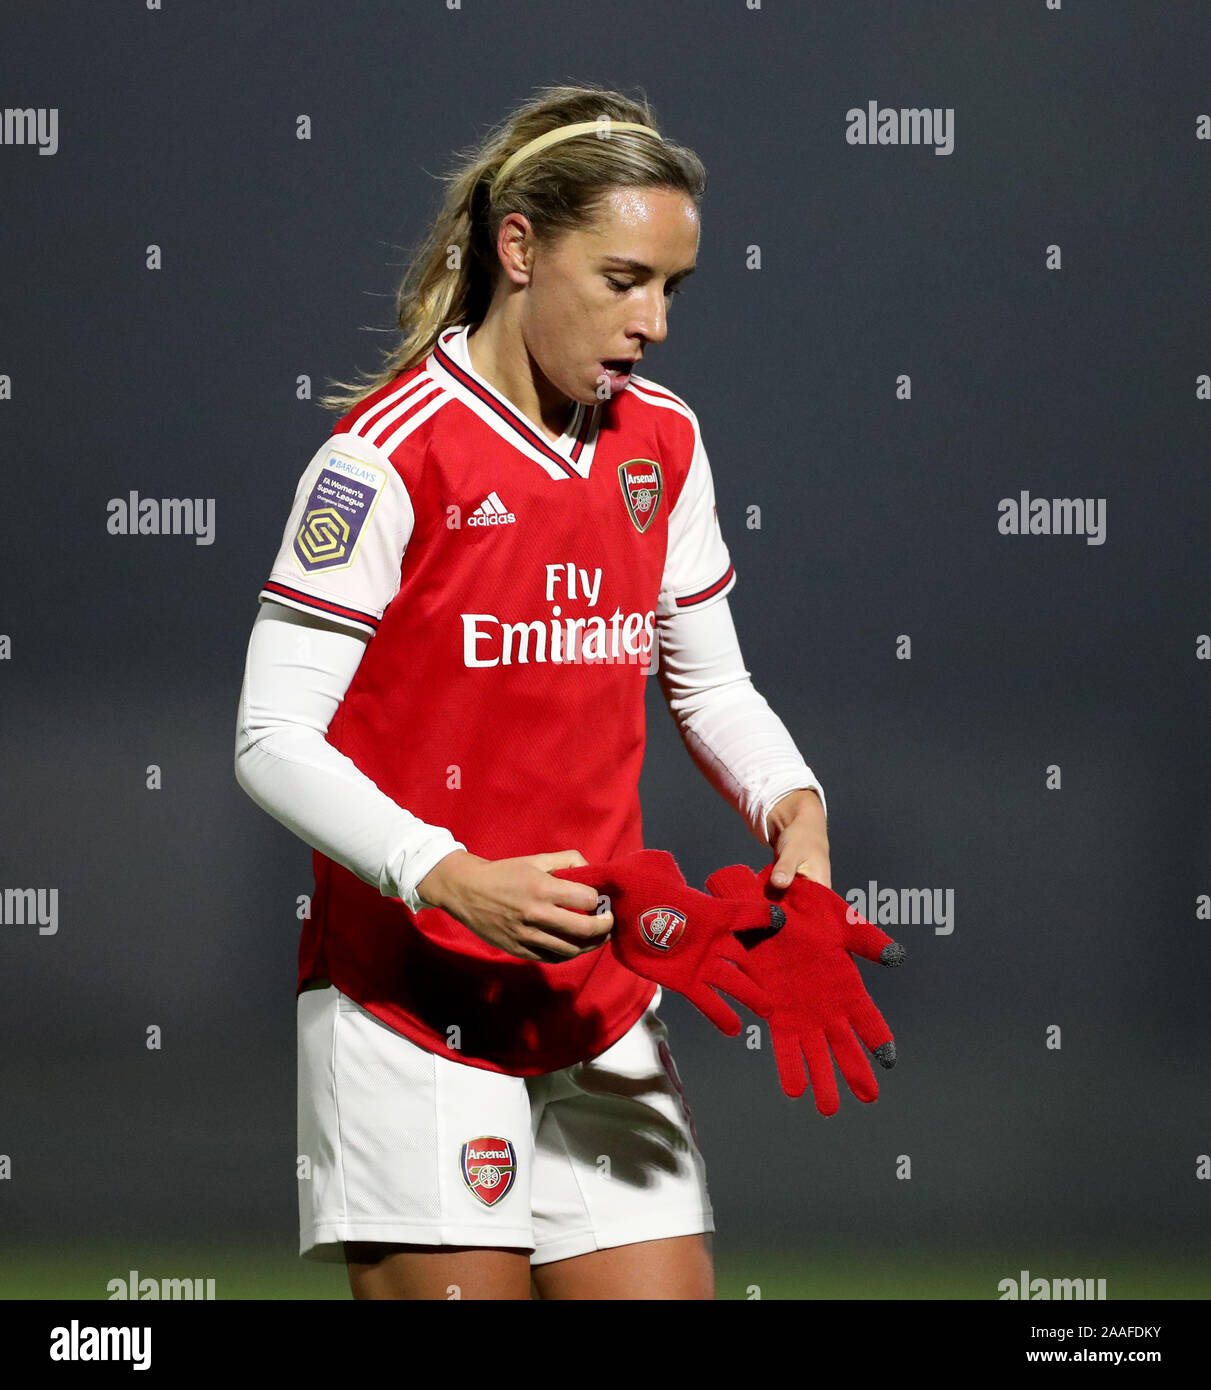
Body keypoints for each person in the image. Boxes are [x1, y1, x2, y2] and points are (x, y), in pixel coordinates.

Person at [234, 83, 830, 1301]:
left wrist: (792, 805)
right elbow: (269, 737)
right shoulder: (387, 456)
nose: (654, 321)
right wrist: (446, 876)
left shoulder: (661, 442)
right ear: (518, 249)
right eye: (623, 280)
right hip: (412, 1004)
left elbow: (708, 683)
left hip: (599, 1003)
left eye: (673, 287)